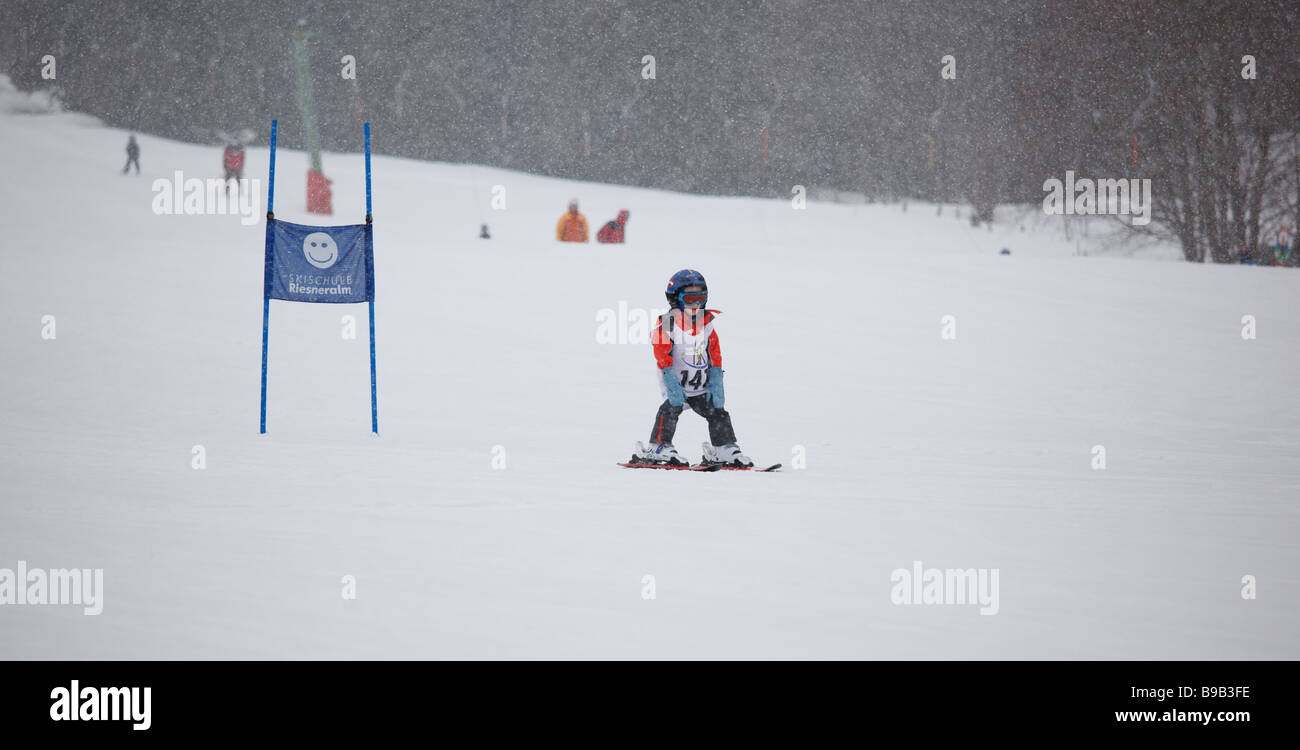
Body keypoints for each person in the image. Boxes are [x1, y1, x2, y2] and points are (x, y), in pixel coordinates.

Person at [629, 269, 753, 468]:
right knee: (670, 410)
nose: (696, 304)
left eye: (701, 298)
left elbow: (714, 350)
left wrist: (716, 379)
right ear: (675, 299)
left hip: (700, 386)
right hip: (677, 386)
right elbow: (660, 350)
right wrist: (669, 379)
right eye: (690, 298)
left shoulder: (707, 323)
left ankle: (724, 448)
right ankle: (658, 446)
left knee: (718, 412)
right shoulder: (668, 323)